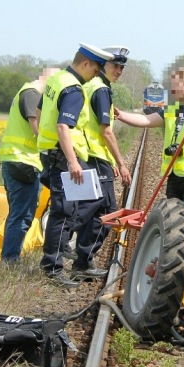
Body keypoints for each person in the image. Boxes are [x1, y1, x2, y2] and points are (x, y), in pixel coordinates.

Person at [36, 43, 115, 287]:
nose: (96, 75)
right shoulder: (73, 89)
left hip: (50, 152)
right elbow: (62, 126)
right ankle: (52, 268)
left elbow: (40, 113)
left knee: (89, 202)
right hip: (63, 156)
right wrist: (72, 162)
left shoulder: (57, 79)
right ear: (86, 64)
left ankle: (74, 258)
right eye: (96, 69)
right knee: (63, 211)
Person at [115, 66, 184, 218]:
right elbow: (146, 120)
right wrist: (120, 115)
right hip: (174, 174)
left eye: (177, 87)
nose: (173, 91)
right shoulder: (172, 109)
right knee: (172, 219)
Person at [72, 45, 133, 278]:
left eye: (121, 67)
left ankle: (80, 259)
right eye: (115, 66)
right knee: (107, 211)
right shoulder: (100, 90)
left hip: (92, 155)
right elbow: (105, 132)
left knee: (97, 208)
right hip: (95, 156)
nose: (119, 71)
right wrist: (121, 162)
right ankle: (82, 261)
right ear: (103, 65)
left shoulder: (94, 86)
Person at [0, 67, 58, 264]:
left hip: (18, 161)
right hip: (22, 162)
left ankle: (10, 257)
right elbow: (37, 129)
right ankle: (10, 260)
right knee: (21, 216)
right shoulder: (32, 95)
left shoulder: (27, 91)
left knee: (20, 213)